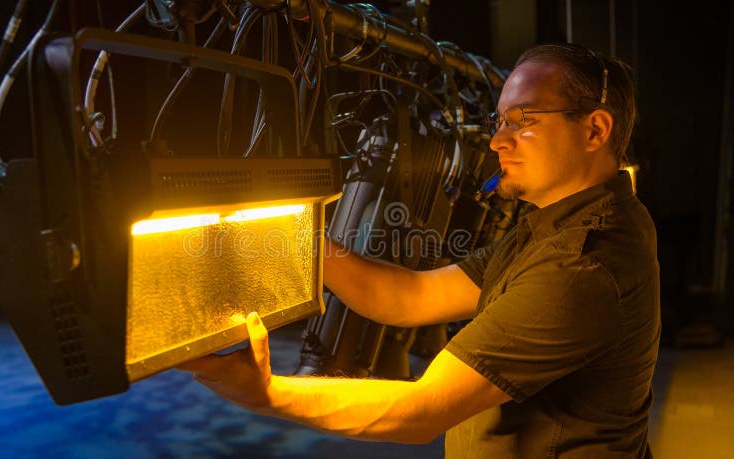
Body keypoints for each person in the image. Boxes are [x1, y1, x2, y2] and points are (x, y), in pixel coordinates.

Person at [178, 43, 660, 458]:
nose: (497, 141)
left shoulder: (582, 263)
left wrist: (268, 394)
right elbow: (412, 296)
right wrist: (293, 237)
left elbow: (424, 410)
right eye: (499, 121)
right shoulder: (553, 224)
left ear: (595, 129)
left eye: (522, 121)